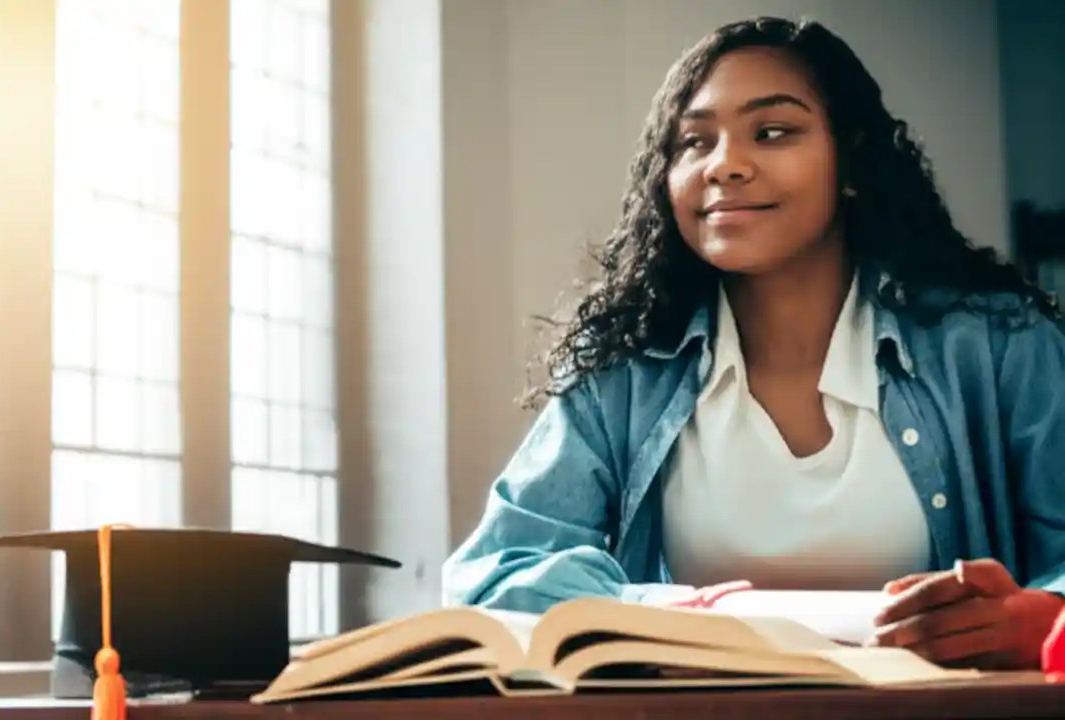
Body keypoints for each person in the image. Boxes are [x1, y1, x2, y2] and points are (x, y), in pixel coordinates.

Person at [441, 16, 1065, 671]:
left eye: (772, 132)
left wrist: (1045, 621)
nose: (725, 166)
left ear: (851, 163)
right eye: (693, 142)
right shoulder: (622, 374)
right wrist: (670, 615)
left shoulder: (999, 347)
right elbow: (492, 578)